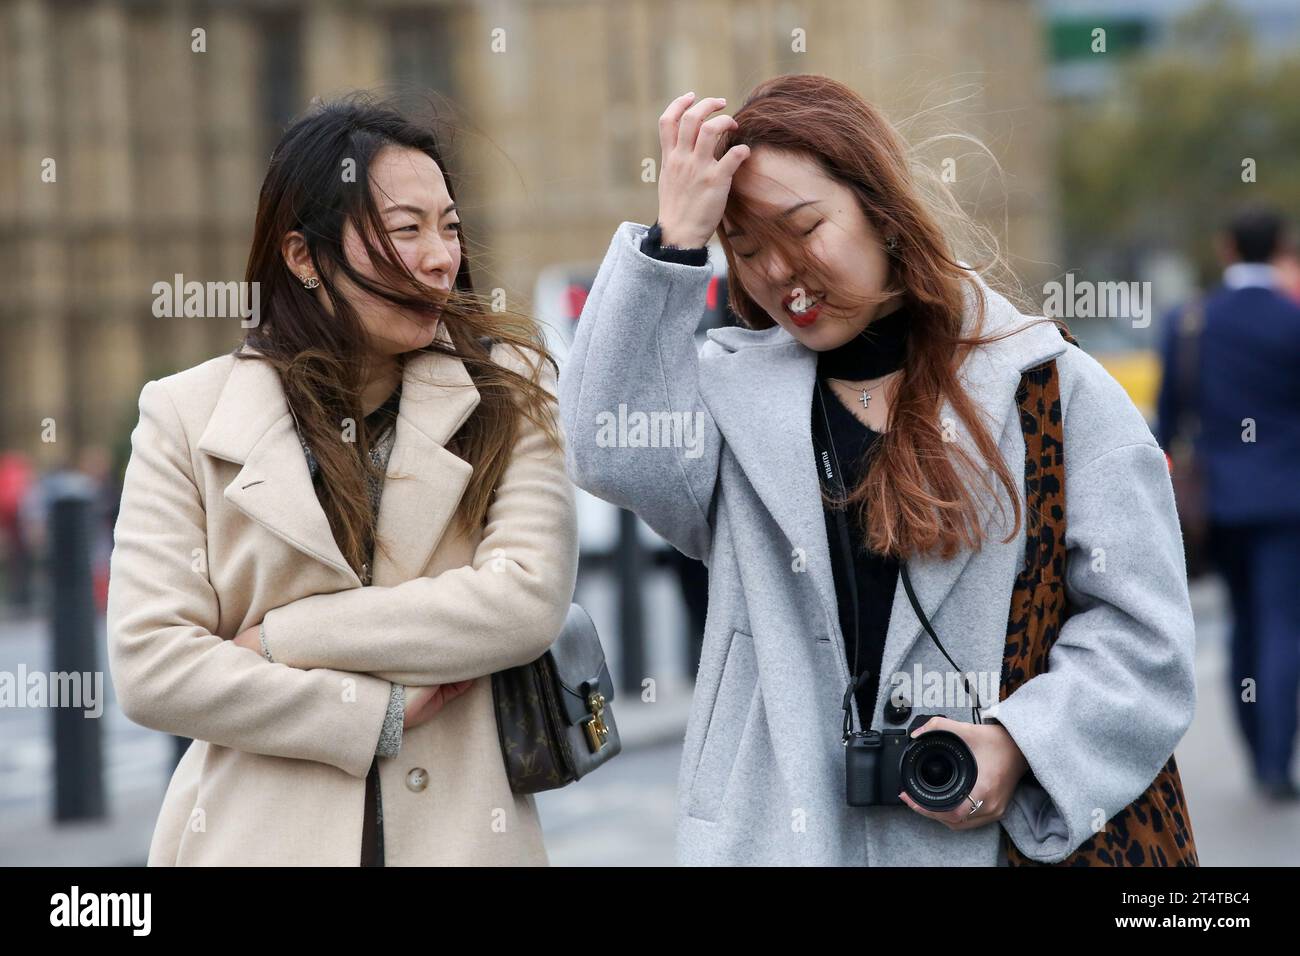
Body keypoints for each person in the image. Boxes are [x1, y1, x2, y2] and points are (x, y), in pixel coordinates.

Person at [560, 76, 1197, 865]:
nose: (780, 273)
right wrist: (673, 243)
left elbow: (1145, 637)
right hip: (780, 837)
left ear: (881, 211)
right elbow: (606, 446)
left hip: (988, 841)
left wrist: (1020, 745)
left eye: (803, 228)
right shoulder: (731, 401)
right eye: (747, 250)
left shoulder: (1051, 388)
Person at [106, 94, 579, 865]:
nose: (440, 256)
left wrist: (282, 637)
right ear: (303, 257)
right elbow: (152, 667)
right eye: (406, 229)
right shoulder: (185, 415)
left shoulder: (508, 395)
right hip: (248, 839)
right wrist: (375, 711)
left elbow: (525, 598)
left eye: (450, 226)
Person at [1157, 207, 1300, 801]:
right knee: (1283, 624)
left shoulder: (1190, 321)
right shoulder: (1293, 321)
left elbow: (1167, 418)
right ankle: (1273, 761)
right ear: (1280, 249)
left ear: (1225, 247)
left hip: (1216, 501)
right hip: (1289, 500)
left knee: (1243, 620)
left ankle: (1253, 747)